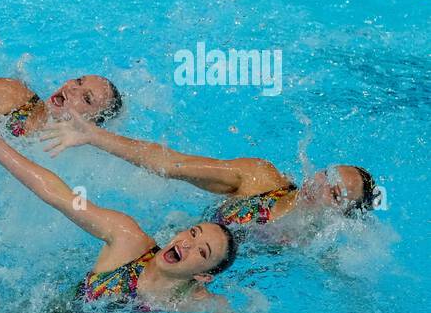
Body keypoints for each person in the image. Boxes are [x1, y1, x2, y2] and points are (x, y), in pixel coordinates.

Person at [0, 104, 237, 313]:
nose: (186, 244)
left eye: (201, 252)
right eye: (193, 233)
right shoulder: (128, 239)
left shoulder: (193, 302)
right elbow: (57, 195)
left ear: (202, 276)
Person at [39, 115, 376, 230]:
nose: (320, 185)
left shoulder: (320, 246)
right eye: (327, 176)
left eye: (335, 193)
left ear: (342, 216)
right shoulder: (259, 180)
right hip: (176, 256)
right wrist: (95, 136)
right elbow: (172, 164)